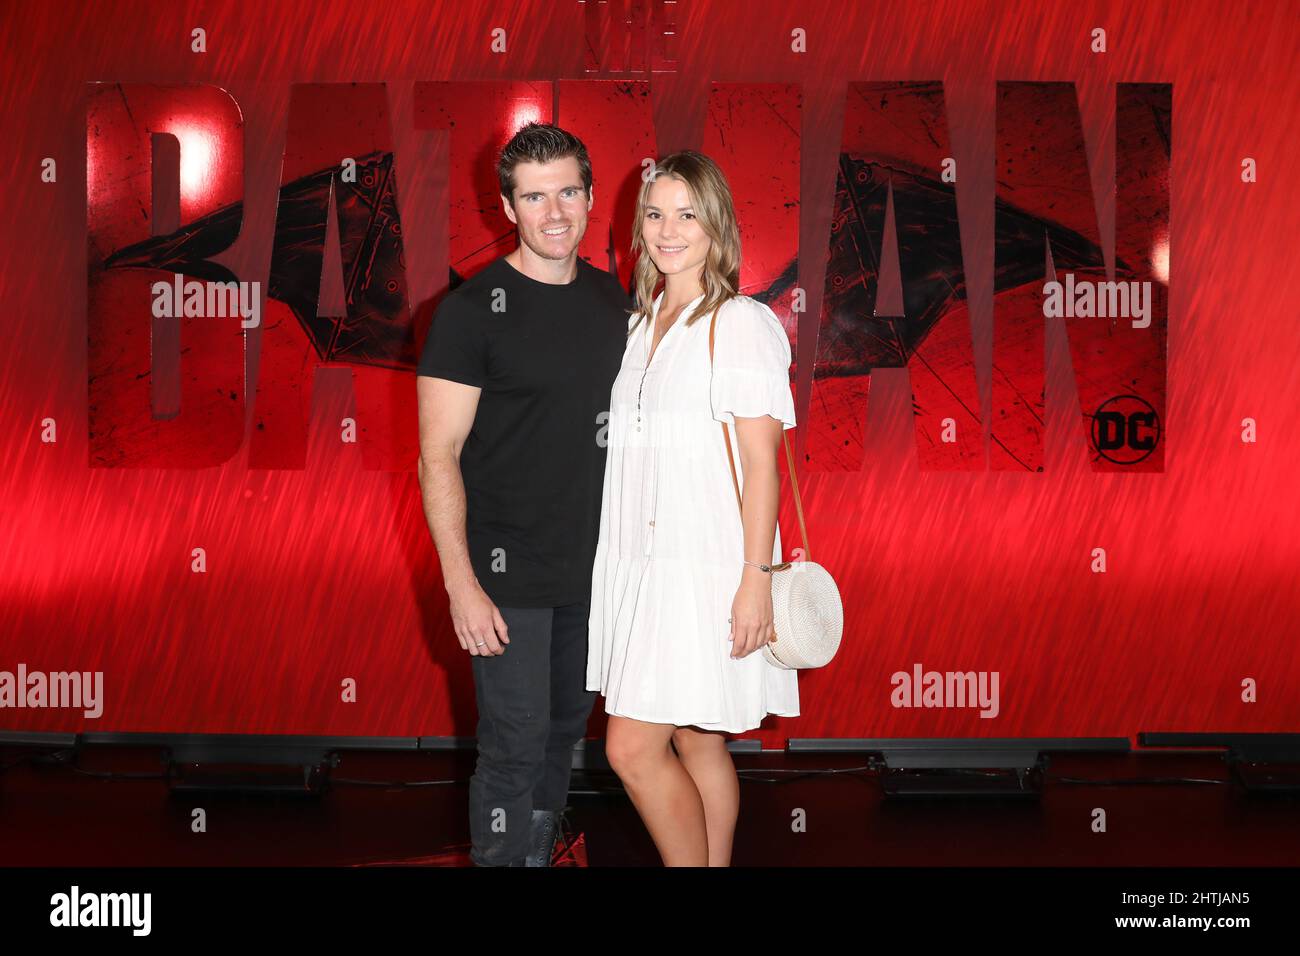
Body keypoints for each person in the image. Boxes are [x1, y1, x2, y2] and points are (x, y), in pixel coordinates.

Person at [416, 122, 630, 867]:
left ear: (591, 195)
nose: (555, 212)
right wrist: (461, 586)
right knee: (512, 745)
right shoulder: (471, 313)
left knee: (562, 734)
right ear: (508, 207)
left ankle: (536, 855)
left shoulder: (614, 303)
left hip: (594, 573)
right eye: (534, 197)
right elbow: (437, 455)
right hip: (503, 574)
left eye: (568, 191)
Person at [586, 150, 800, 866]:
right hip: (644, 565)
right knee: (697, 737)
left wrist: (754, 578)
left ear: (718, 226)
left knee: (631, 748)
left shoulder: (738, 322)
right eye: (655, 213)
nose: (668, 230)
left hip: (704, 569)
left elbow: (761, 464)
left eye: (687, 214)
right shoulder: (643, 323)